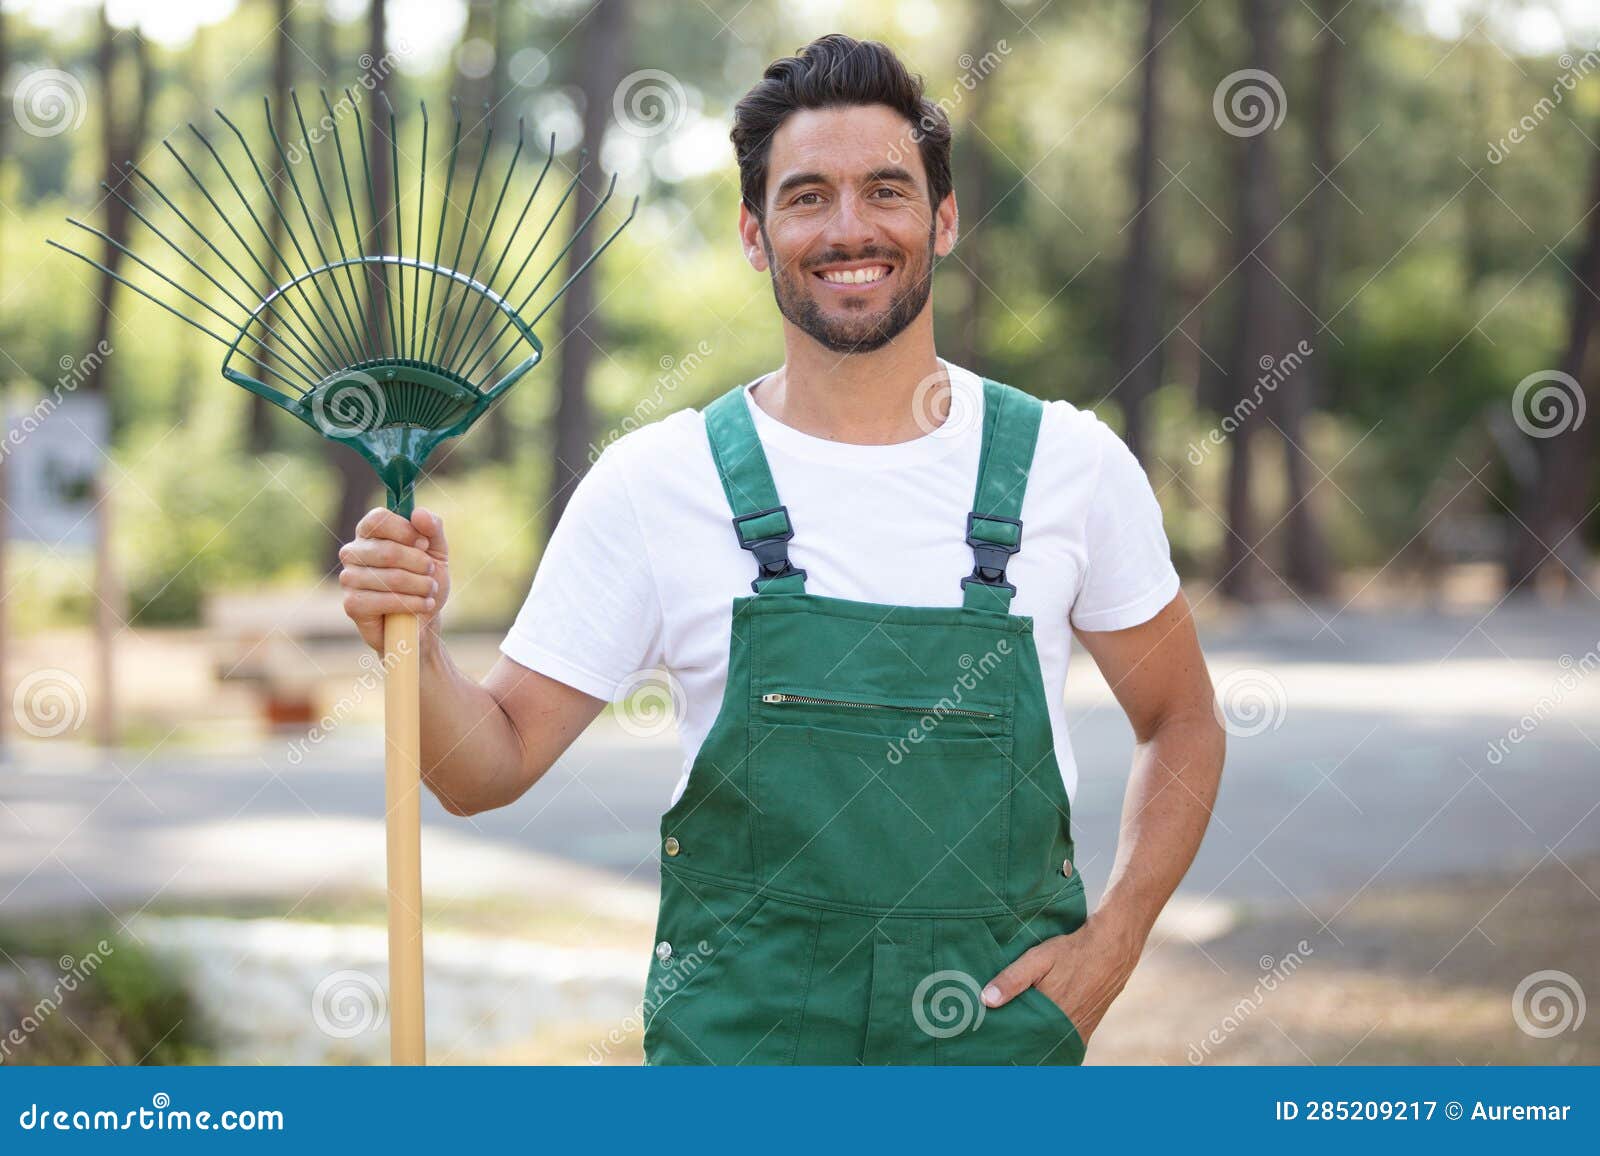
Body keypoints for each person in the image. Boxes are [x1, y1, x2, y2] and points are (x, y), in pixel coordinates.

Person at [338, 33, 1225, 1066]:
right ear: (755, 235)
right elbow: (484, 768)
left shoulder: (1067, 468)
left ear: (941, 219)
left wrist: (1113, 942)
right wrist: (414, 646)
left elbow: (1184, 718)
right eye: (806, 197)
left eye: (885, 191)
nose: (849, 228)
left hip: (991, 1062)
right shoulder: (656, 484)